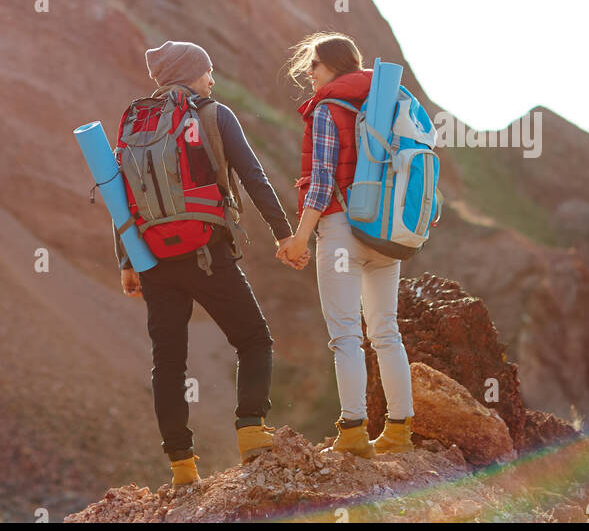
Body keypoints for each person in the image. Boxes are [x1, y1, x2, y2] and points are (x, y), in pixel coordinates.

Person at [116, 40, 302, 486]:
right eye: (207, 71)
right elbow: (252, 175)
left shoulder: (136, 123)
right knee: (254, 339)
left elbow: (120, 198)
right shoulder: (213, 114)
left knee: (169, 362)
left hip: (154, 259)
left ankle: (182, 467)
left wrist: (126, 261)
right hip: (205, 252)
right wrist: (285, 234)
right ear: (190, 73)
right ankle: (252, 431)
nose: (212, 79)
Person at [277, 32, 415, 456]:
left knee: (345, 337)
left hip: (339, 233)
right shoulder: (388, 105)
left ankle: (353, 433)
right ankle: (399, 431)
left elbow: (321, 183)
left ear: (332, 66)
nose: (310, 75)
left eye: (313, 66)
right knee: (386, 332)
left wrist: (300, 239)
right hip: (385, 231)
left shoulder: (328, 108)